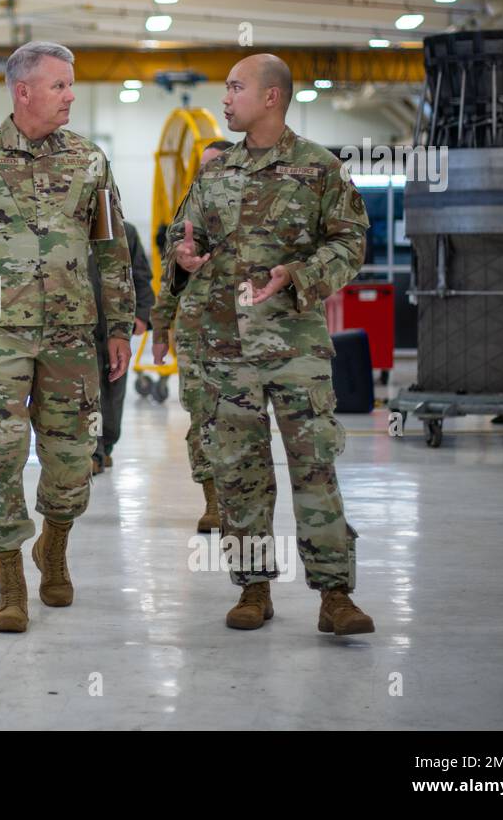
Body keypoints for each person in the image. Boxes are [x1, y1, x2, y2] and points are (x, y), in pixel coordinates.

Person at [0, 41, 134, 633]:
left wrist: (117, 326)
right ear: (24, 91)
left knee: (72, 459)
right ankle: (10, 580)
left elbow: (112, 250)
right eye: (60, 85)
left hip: (70, 335)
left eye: (71, 85)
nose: (70, 96)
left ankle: (54, 547)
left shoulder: (90, 161)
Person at [160, 52, 375, 636]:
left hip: (294, 347)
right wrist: (182, 259)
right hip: (224, 349)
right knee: (239, 473)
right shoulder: (214, 172)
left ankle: (335, 595)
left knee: (315, 468)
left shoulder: (318, 169)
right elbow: (183, 240)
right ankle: (253, 589)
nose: (225, 99)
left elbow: (351, 241)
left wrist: (298, 275)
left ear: (271, 97)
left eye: (235, 88)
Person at [150, 139, 232, 530]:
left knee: (241, 422)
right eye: (204, 167)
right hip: (197, 333)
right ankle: (213, 501)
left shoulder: (253, 210)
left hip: (247, 333)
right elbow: (170, 279)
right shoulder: (187, 213)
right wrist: (160, 328)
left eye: (216, 165)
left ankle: (242, 503)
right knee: (201, 418)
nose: (207, 173)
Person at [90, 219, 154, 472]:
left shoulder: (124, 232)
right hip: (79, 329)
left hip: (116, 327)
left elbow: (141, 275)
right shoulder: (69, 228)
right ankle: (93, 451)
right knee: (87, 393)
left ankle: (107, 442)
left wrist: (141, 314)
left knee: (113, 393)